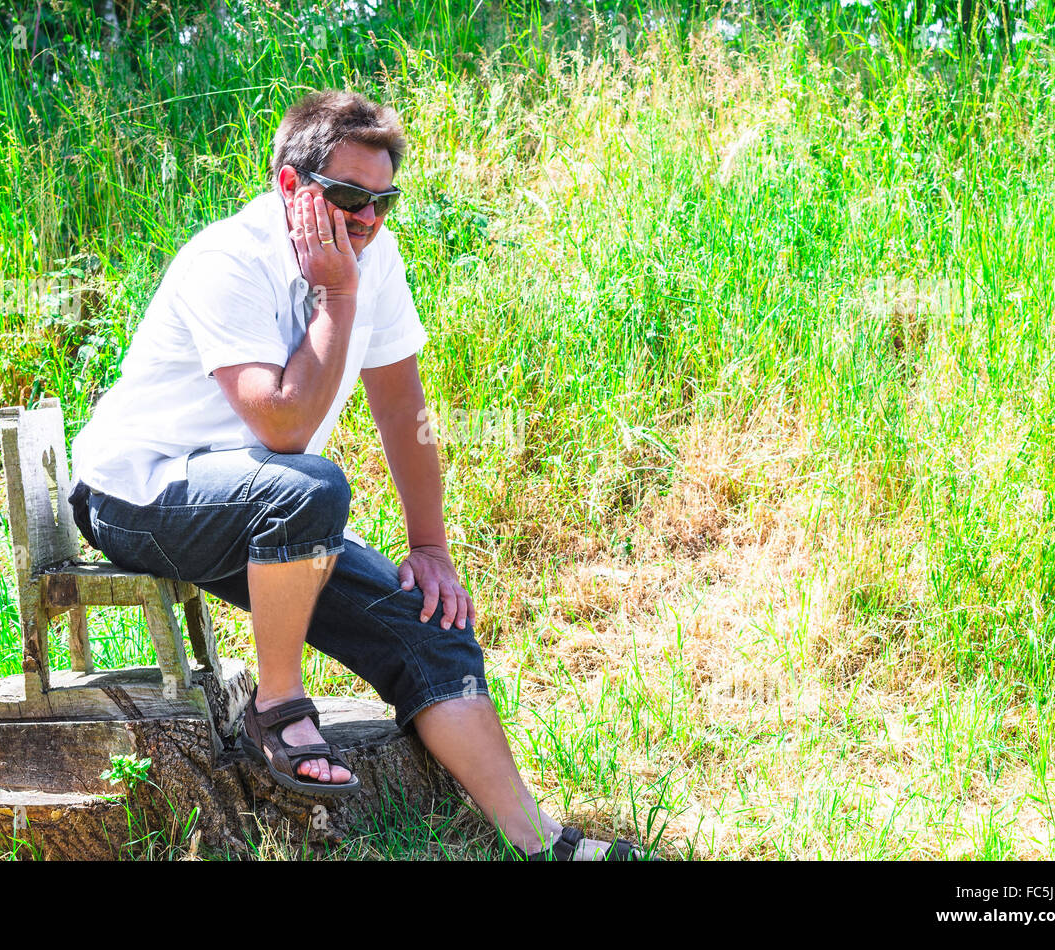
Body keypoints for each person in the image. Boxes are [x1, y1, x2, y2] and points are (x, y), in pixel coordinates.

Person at [68, 89, 647, 860]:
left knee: (428, 624)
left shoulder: (375, 259)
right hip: (133, 496)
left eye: (384, 203)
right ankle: (276, 707)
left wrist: (430, 547)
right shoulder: (228, 261)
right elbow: (283, 425)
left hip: (258, 505)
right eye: (348, 199)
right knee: (309, 486)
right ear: (290, 188)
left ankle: (539, 843)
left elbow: (405, 411)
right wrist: (336, 295)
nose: (368, 222)